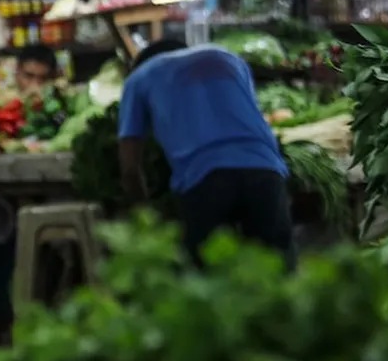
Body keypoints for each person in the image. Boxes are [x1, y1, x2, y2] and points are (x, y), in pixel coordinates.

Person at [117, 37, 295, 269]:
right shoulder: (229, 58)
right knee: (277, 272)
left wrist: (146, 217)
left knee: (208, 281)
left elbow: (130, 167)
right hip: (266, 170)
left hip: (204, 178)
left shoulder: (138, 78)